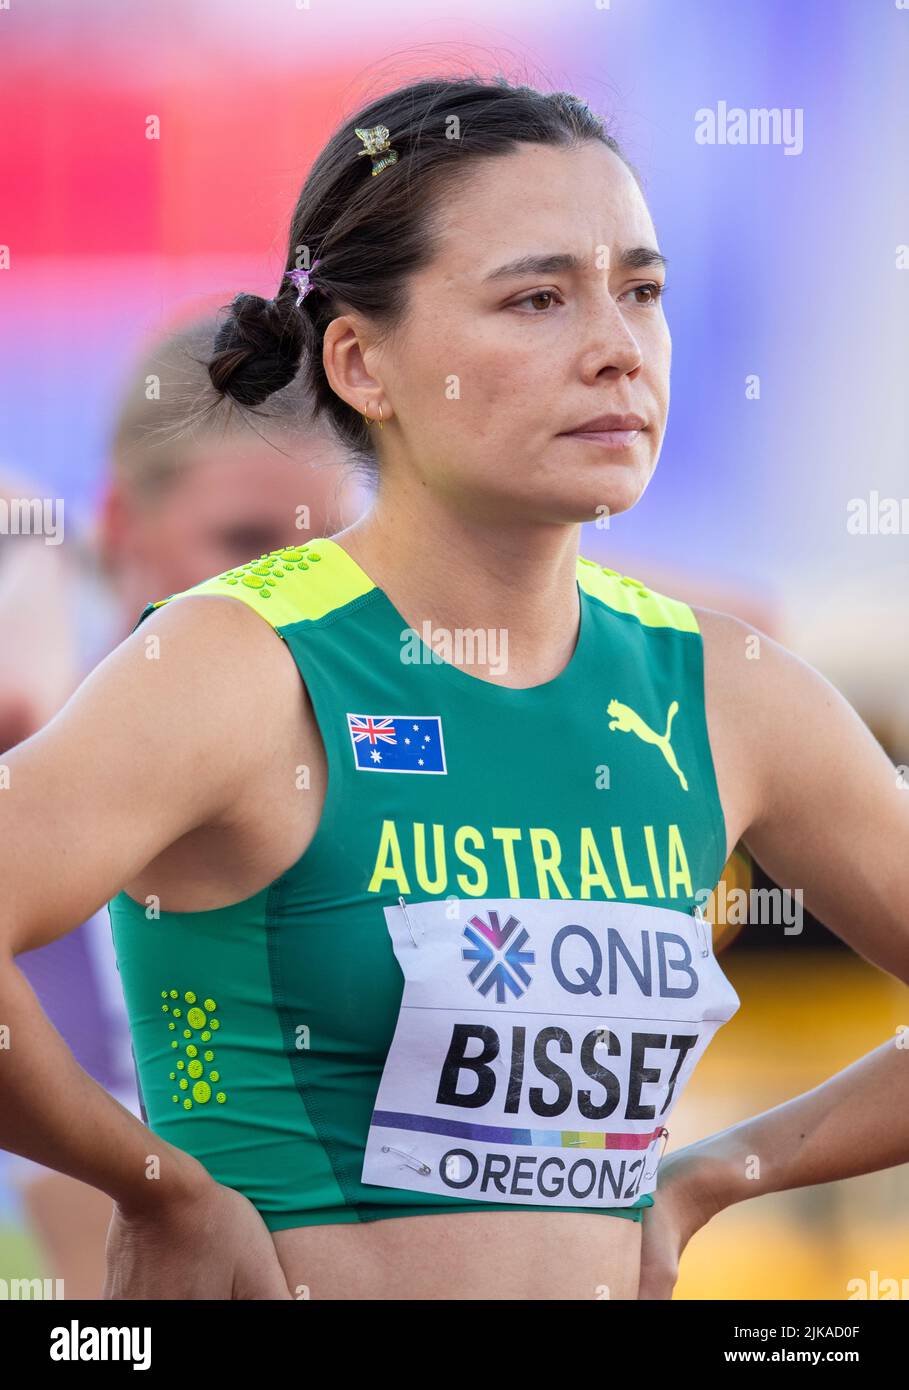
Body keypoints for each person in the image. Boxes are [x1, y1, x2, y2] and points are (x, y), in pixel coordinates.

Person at [1, 76, 907, 1302]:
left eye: (641, 291)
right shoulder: (236, 663)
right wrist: (156, 1185)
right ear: (363, 363)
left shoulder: (731, 692)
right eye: (538, 297)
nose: (616, 347)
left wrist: (710, 1175)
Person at [0, 318, 358, 1296]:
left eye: (331, 553)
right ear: (120, 529)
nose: (292, 596)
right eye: (243, 544)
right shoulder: (44, 693)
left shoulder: (345, 737)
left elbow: (743, 631)